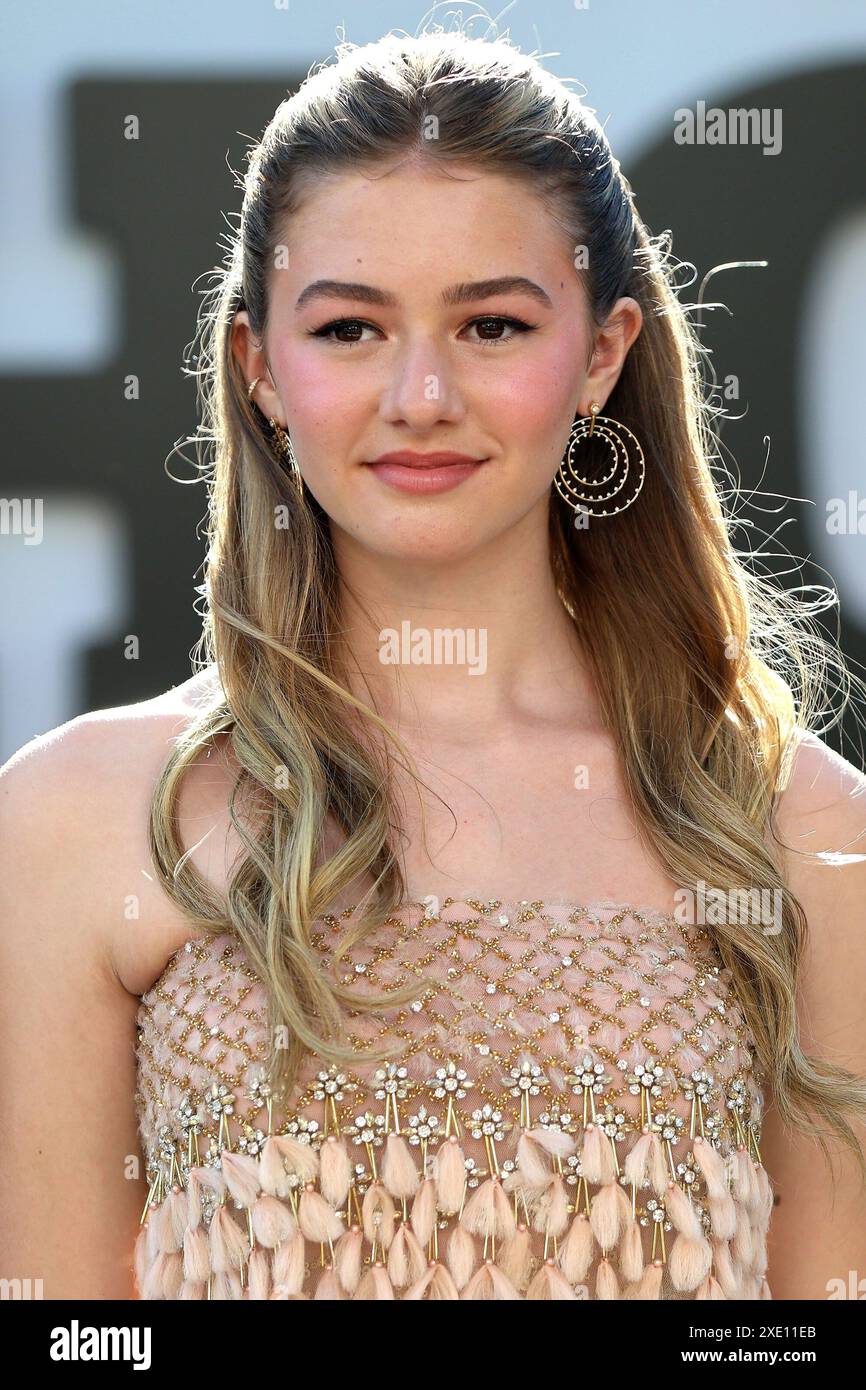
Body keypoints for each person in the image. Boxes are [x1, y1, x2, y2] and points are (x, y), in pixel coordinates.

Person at [2, 24, 865, 1302]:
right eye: (350, 329)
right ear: (259, 368)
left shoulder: (797, 830)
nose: (419, 396)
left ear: (602, 354)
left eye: (492, 326)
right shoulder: (75, 818)